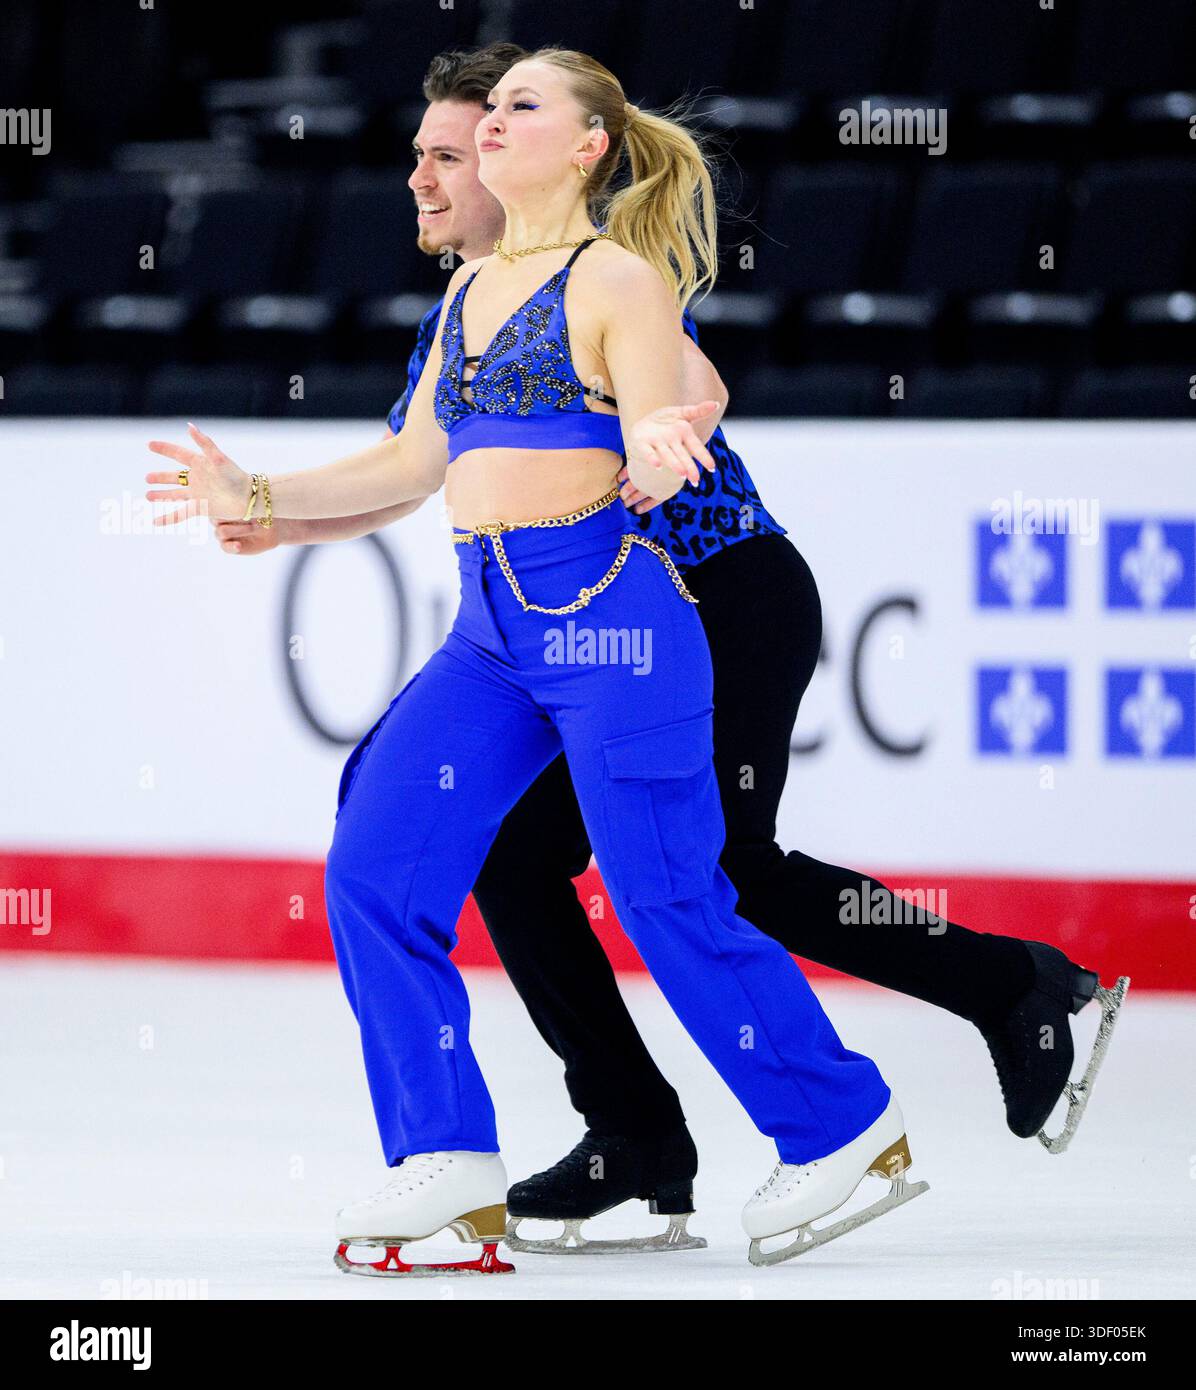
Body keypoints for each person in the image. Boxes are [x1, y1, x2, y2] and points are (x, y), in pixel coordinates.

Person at [205, 43, 1128, 1257]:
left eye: (454, 147)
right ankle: (622, 1137)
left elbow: (683, 390)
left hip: (713, 592)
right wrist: (268, 502)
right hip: (529, 619)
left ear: (550, 148)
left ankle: (988, 1001)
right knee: (509, 865)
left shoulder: (606, 281)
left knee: (702, 876)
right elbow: (427, 468)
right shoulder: (469, 301)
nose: (428, 177)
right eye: (425, 154)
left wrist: (657, 432)